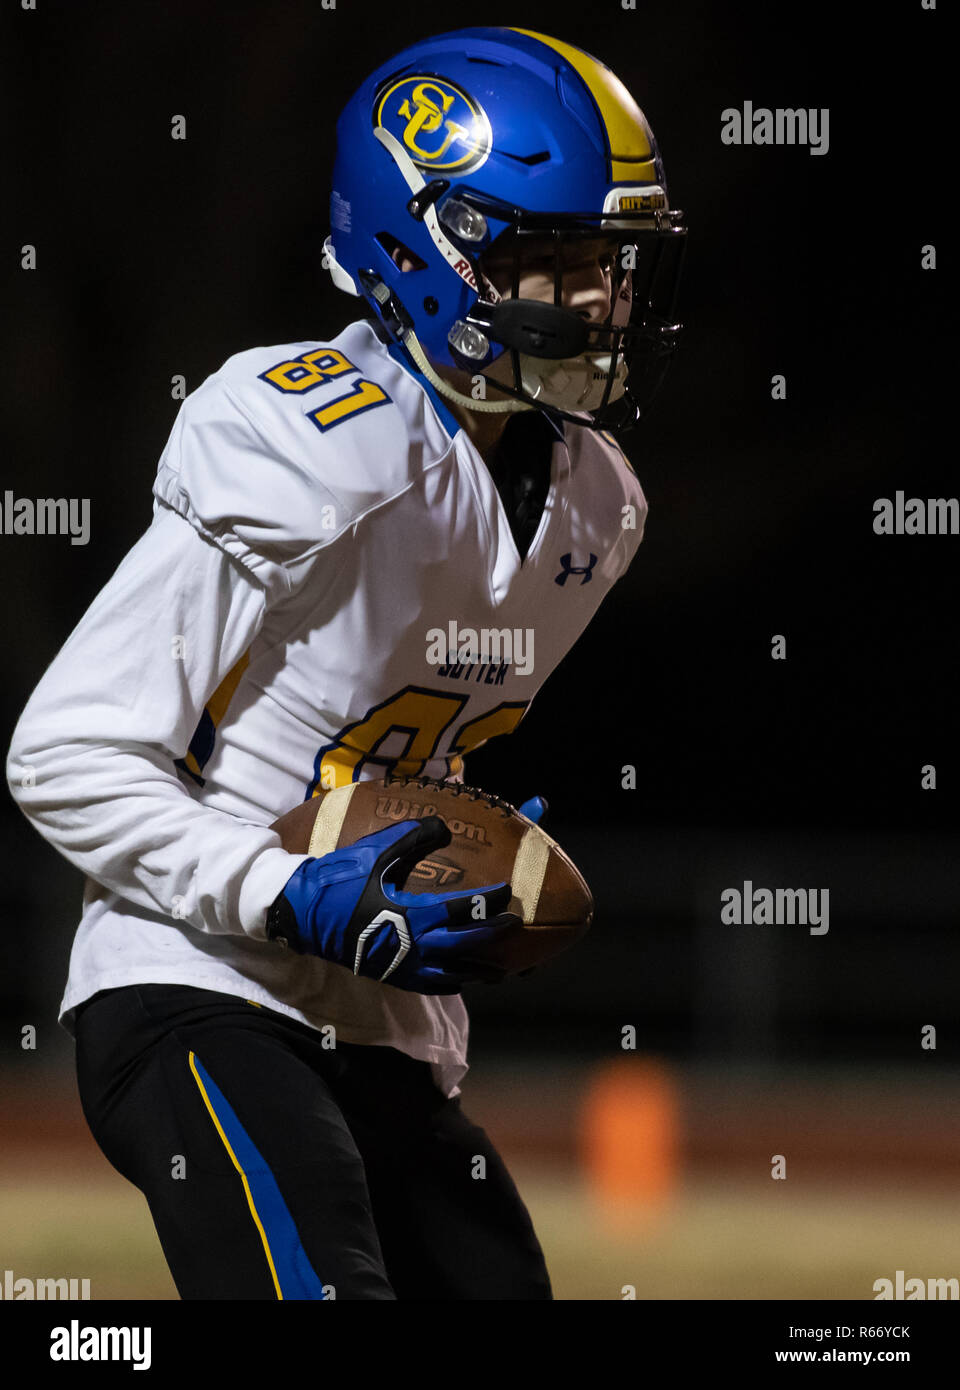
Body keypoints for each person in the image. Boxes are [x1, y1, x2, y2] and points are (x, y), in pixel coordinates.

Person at [7, 26, 685, 1300]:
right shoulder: (308, 439)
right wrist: (279, 888)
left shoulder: (599, 505)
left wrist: (443, 837)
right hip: (195, 977)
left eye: (607, 262)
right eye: (550, 261)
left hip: (380, 1014)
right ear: (419, 248)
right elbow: (64, 750)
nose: (595, 301)